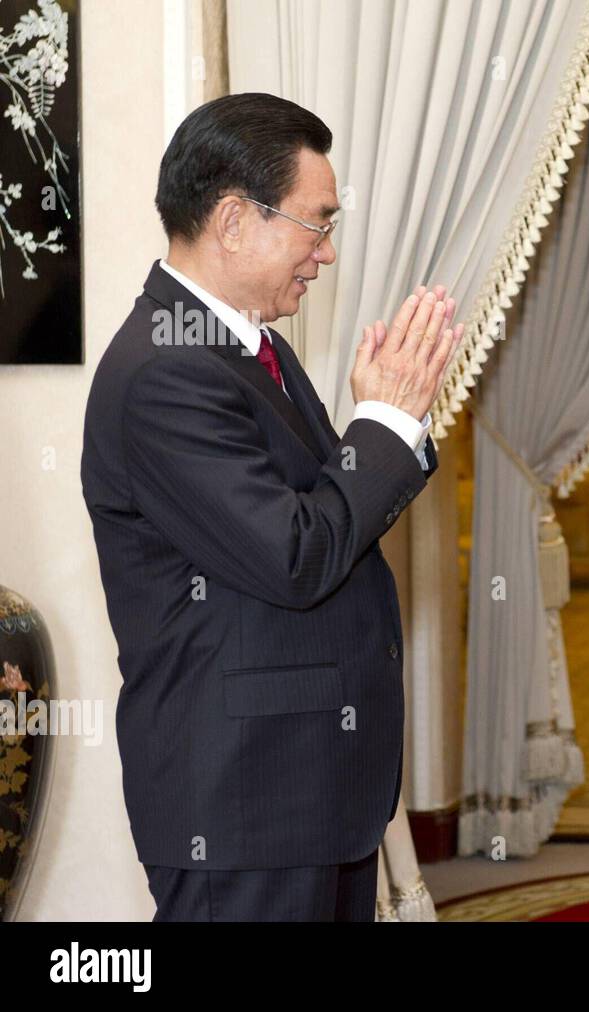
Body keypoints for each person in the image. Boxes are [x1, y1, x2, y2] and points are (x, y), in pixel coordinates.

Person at [81, 93, 464, 921]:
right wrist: (386, 421)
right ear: (232, 220)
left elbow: (327, 518)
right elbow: (299, 555)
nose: (325, 253)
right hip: (244, 803)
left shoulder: (250, 346)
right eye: (316, 224)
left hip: (304, 790)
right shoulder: (164, 373)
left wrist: (379, 426)